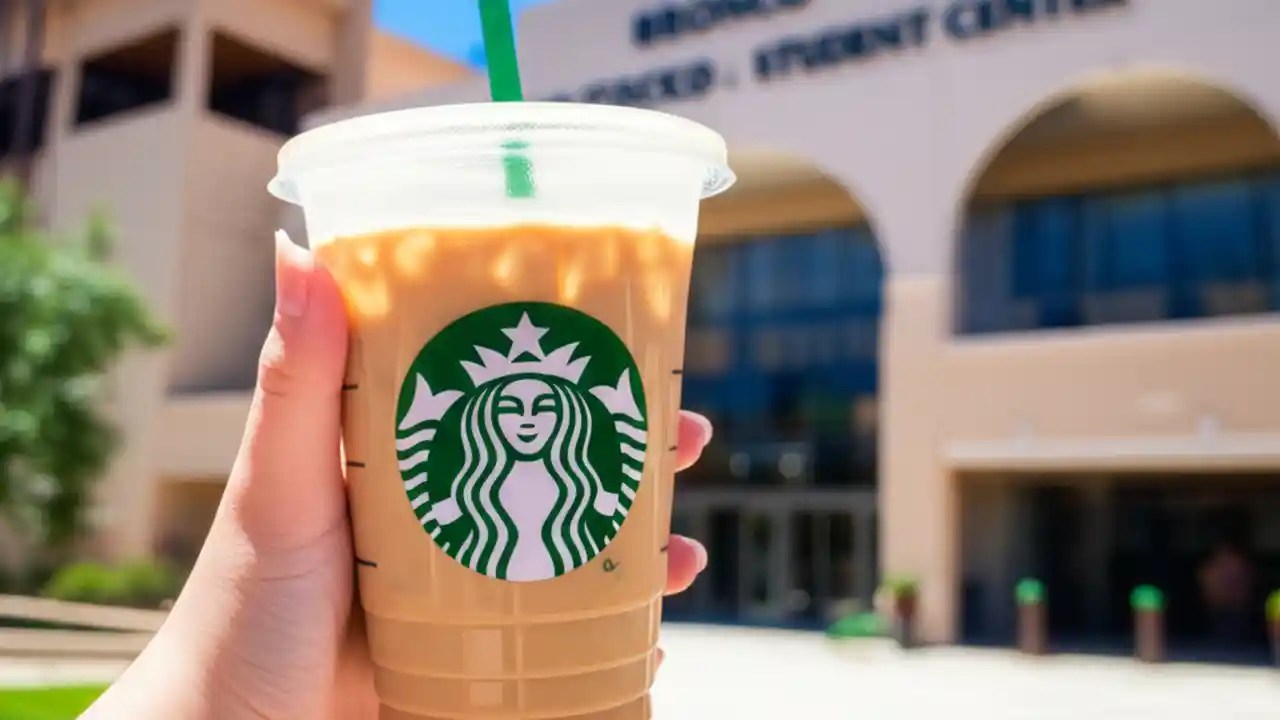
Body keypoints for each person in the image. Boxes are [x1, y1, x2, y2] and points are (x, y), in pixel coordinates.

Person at [83, 236, 713, 719]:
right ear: (481, 418)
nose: (527, 420)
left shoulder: (582, 495)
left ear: (572, 413)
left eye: (545, 404)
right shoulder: (475, 499)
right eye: (509, 406)